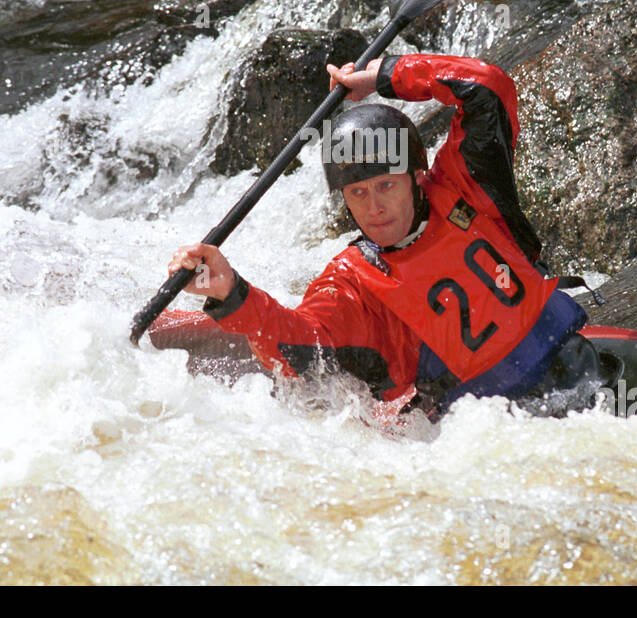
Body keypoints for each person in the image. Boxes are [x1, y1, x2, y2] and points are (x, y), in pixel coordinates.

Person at [168, 53, 611, 419]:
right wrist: (229, 293)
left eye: (386, 185)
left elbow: (488, 88)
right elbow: (299, 344)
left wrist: (386, 76)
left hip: (578, 376)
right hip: (489, 431)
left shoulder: (467, 186)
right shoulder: (355, 280)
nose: (374, 207)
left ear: (417, 176)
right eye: (357, 192)